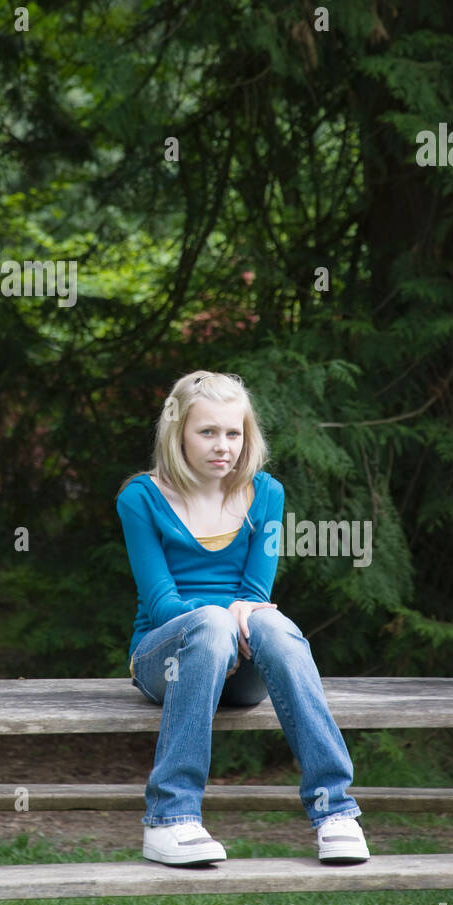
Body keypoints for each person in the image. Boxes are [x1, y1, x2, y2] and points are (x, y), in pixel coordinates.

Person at [115, 370, 369, 867]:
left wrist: (239, 620)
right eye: (207, 432)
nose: (222, 446)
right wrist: (221, 618)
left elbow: (255, 594)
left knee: (274, 624)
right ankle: (171, 820)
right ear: (178, 433)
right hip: (163, 659)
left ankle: (335, 812)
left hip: (244, 662)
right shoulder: (140, 498)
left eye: (234, 433)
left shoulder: (266, 494)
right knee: (211, 624)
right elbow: (164, 604)